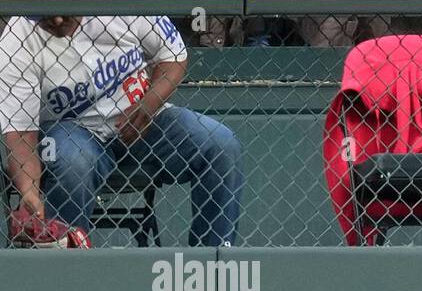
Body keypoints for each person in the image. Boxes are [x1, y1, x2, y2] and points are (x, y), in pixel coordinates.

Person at [0, 15, 243, 246]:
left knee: (220, 144)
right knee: (73, 161)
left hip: (146, 124)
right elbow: (21, 132)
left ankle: (215, 261)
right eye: (46, 14)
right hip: (73, 133)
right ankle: (65, 260)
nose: (58, 20)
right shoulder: (17, 37)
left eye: (66, 11)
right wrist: (29, 193)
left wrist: (150, 103)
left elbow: (173, 56)